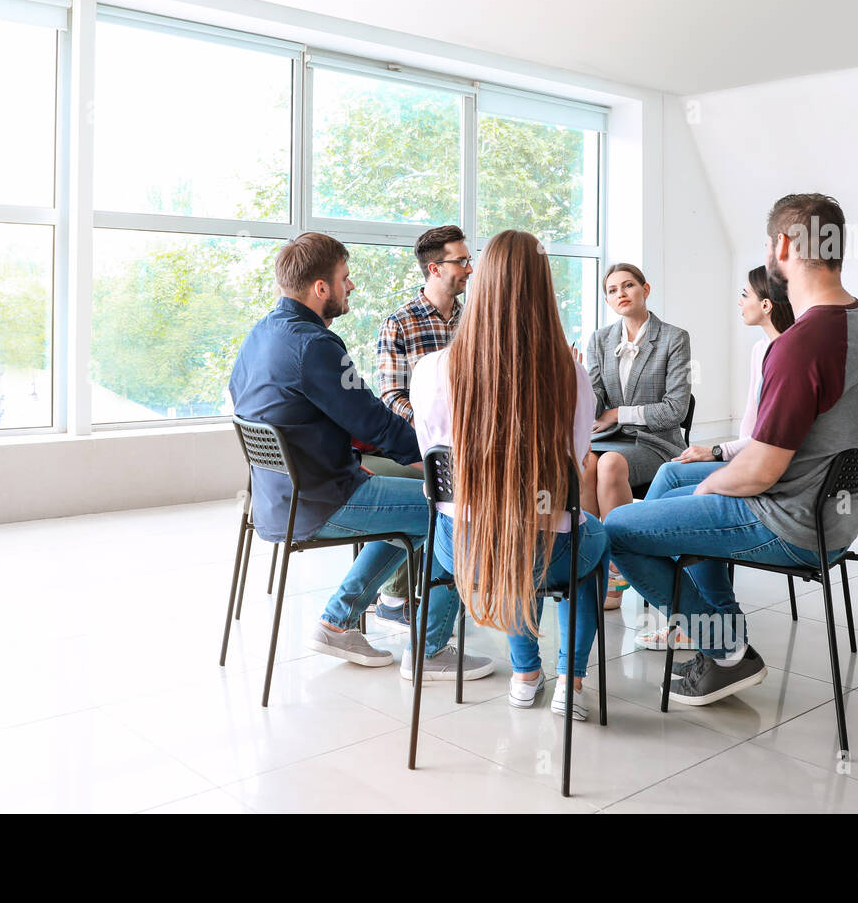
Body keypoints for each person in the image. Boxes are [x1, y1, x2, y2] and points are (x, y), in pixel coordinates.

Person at [603, 193, 858, 706]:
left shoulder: (801, 344)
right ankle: (724, 646)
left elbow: (759, 472)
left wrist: (711, 487)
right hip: (833, 515)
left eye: (766, 245)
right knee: (677, 490)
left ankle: (724, 646)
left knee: (619, 529)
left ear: (782, 246)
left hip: (788, 521)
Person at [228, 232, 493, 680]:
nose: (350, 286)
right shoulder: (314, 345)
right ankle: (429, 651)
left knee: (415, 508)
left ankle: (338, 621)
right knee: (452, 508)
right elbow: (375, 422)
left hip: (275, 498)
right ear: (321, 288)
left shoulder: (262, 333)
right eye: (344, 278)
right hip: (320, 499)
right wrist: (445, 462)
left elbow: (272, 406)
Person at [409, 230, 607, 718]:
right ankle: (571, 683)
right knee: (592, 542)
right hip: (550, 552)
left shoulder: (432, 370)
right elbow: (579, 457)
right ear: (544, 290)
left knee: (516, 537)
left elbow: (432, 453)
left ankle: (524, 674)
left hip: (464, 550)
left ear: (480, 285)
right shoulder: (571, 374)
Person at [635, 265, 794, 650]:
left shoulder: (786, 354)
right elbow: (751, 428)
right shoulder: (761, 349)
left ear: (766, 305)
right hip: (748, 456)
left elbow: (765, 439)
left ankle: (647, 550)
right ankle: (657, 557)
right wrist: (723, 451)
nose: (739, 302)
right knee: (672, 473)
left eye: (745, 295)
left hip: (764, 469)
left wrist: (717, 451)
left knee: (681, 503)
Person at [361, 225, 473, 631]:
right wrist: (435, 429)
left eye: (469, 260)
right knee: (441, 491)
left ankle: (466, 586)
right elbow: (392, 396)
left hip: (466, 442)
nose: (469, 269)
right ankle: (395, 596)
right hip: (415, 445)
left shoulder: (473, 320)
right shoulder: (400, 323)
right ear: (434, 268)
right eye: (461, 261)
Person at [582, 263, 692, 609]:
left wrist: (619, 413)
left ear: (645, 289)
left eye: (628, 285)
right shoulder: (600, 339)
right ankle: (588, 565)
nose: (621, 294)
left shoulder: (674, 338)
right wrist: (575, 381)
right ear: (607, 300)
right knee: (584, 464)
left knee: (610, 464)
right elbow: (596, 401)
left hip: (656, 443)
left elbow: (675, 409)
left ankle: (618, 572)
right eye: (612, 290)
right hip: (609, 440)